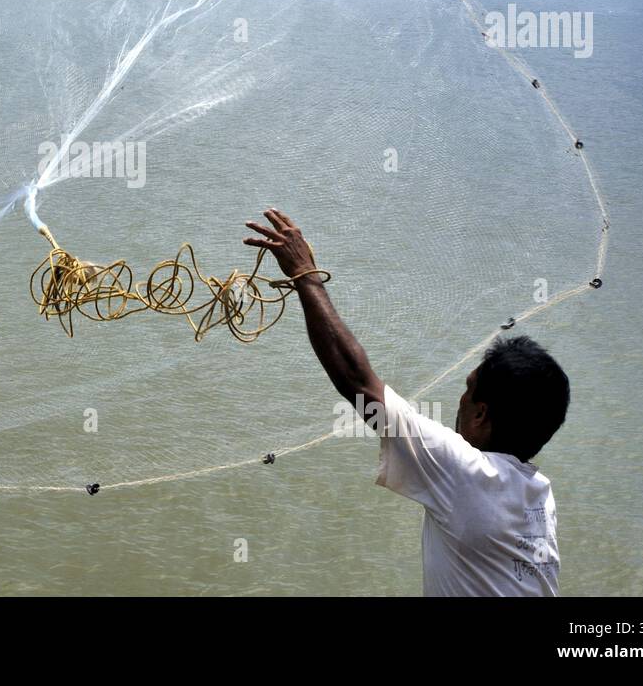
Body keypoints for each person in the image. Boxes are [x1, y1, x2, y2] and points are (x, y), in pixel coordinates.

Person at [243, 208, 570, 596]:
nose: (460, 400)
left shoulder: (465, 473)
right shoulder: (539, 496)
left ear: (482, 413)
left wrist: (305, 275)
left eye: (469, 389)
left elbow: (358, 384)